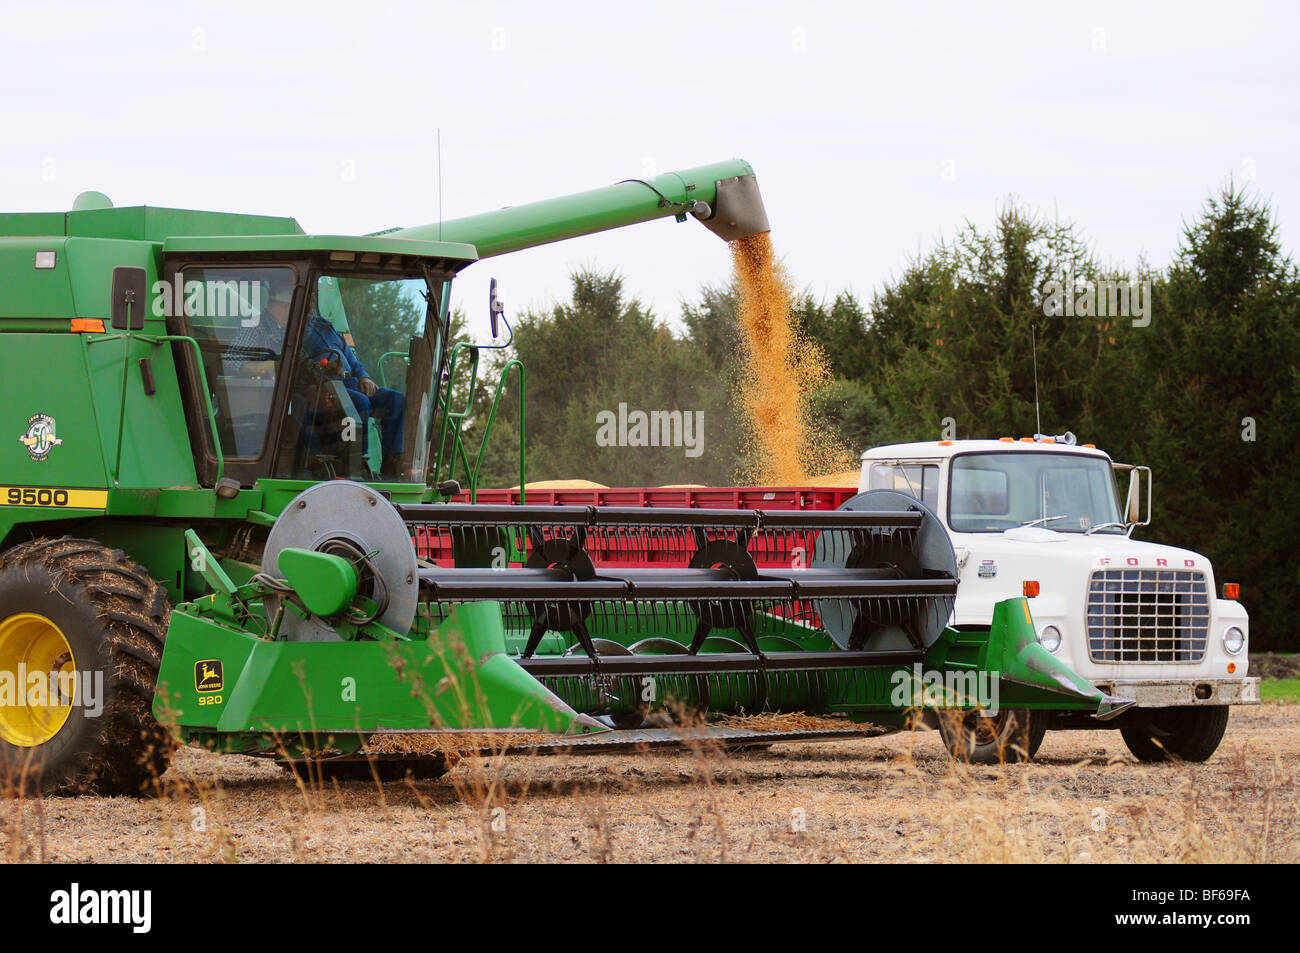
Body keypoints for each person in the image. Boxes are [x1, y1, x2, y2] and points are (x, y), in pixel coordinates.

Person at [297, 299, 406, 477]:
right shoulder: (295, 331)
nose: (309, 303)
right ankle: (355, 464)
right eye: (306, 301)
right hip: (323, 386)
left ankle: (390, 463)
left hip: (350, 383)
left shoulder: (324, 326)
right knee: (360, 403)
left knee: (395, 400)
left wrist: (364, 376)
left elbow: (351, 357)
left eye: (311, 300)